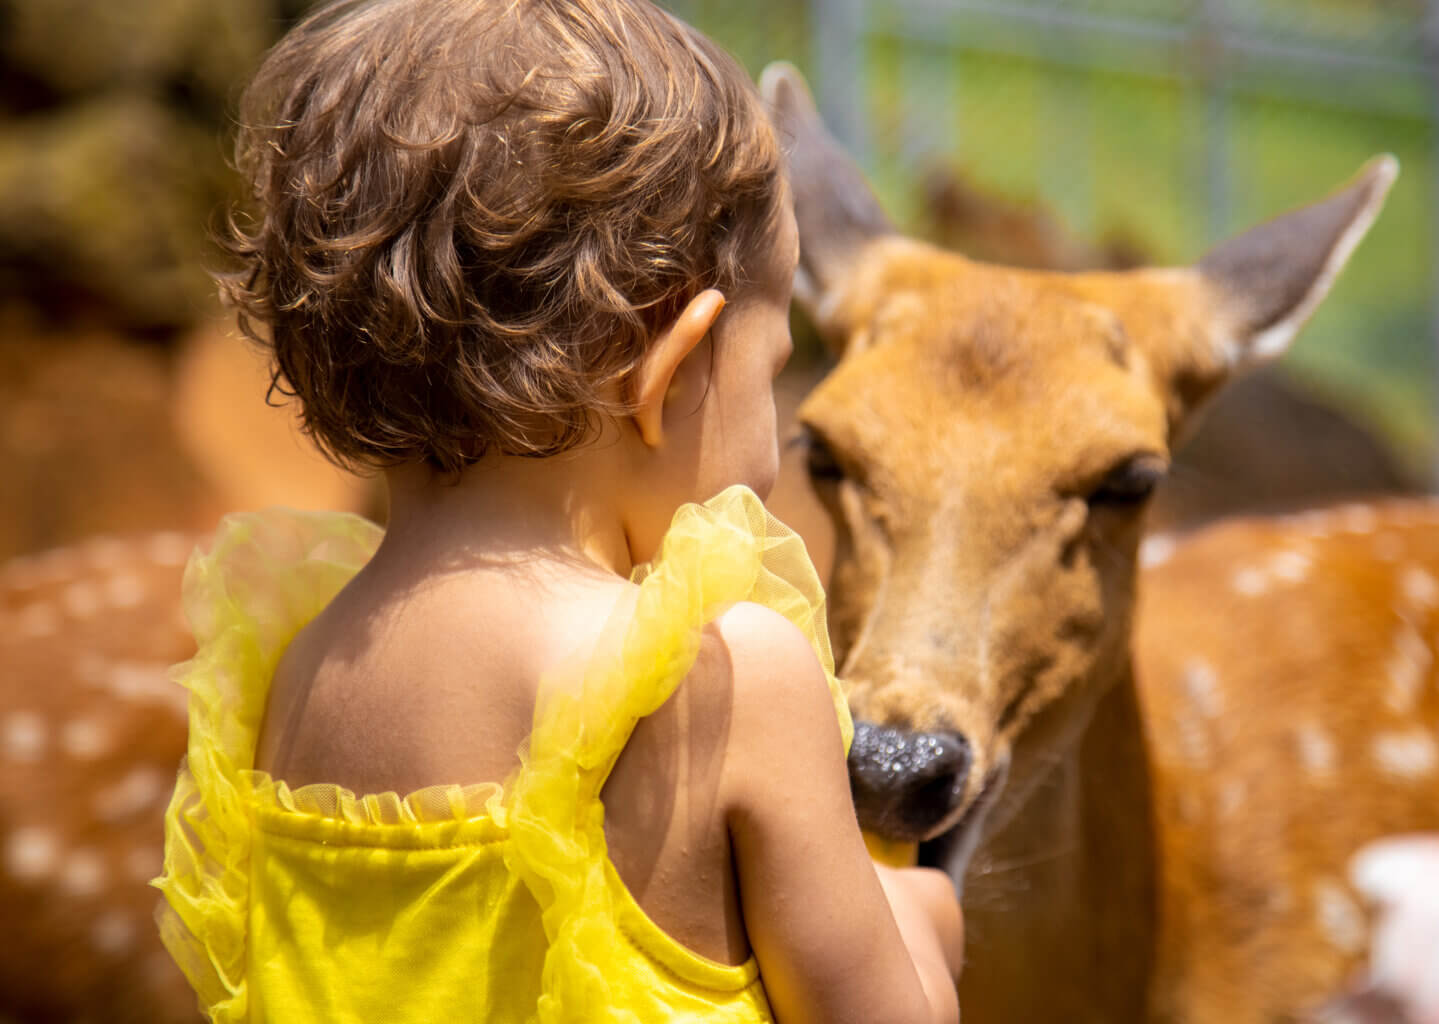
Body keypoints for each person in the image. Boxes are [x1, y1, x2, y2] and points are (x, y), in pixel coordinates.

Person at [152, 1, 964, 1021]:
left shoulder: (298, 675)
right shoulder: (715, 680)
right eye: (777, 362)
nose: (776, 420)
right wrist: (920, 914)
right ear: (670, 369)